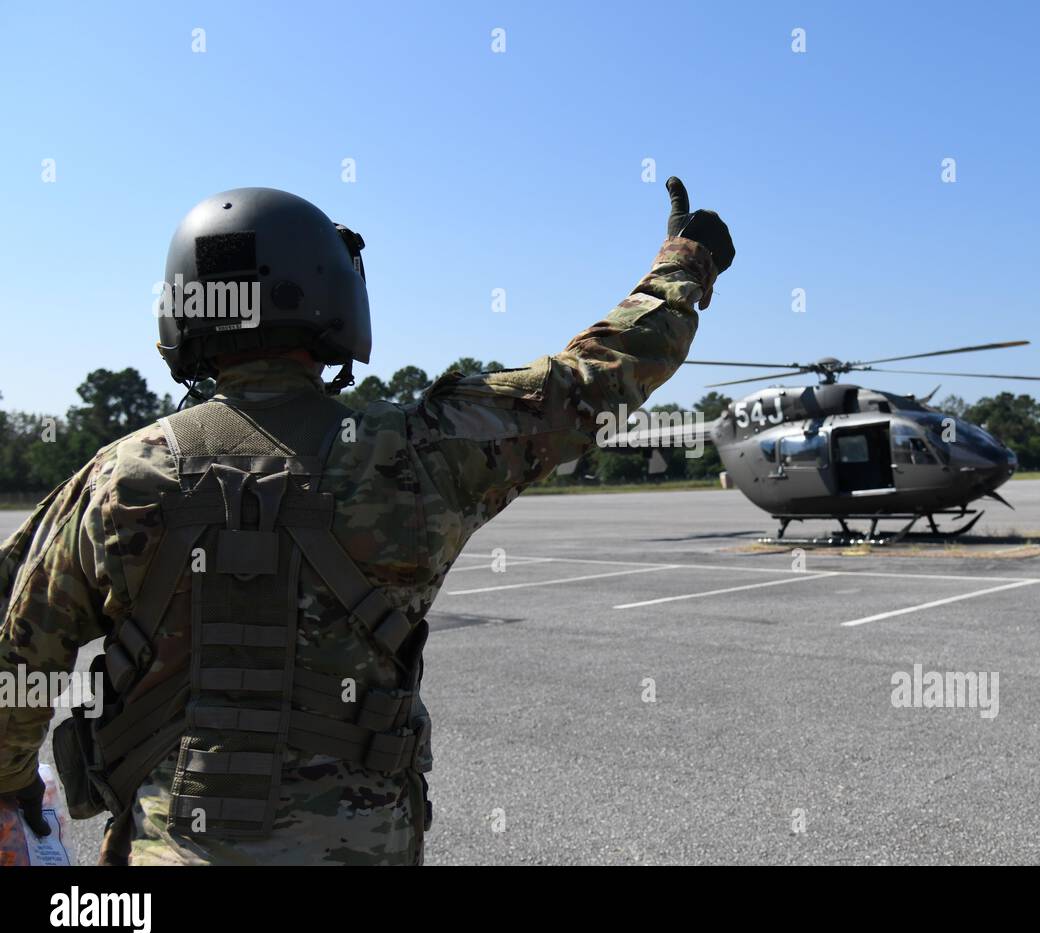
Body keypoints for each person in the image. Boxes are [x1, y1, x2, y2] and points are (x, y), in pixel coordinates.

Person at [0, 179, 733, 864]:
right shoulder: (421, 453)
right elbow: (595, 377)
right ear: (331, 295)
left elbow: (16, 665)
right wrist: (681, 269)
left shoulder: (119, 477)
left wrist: (18, 790)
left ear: (184, 311)